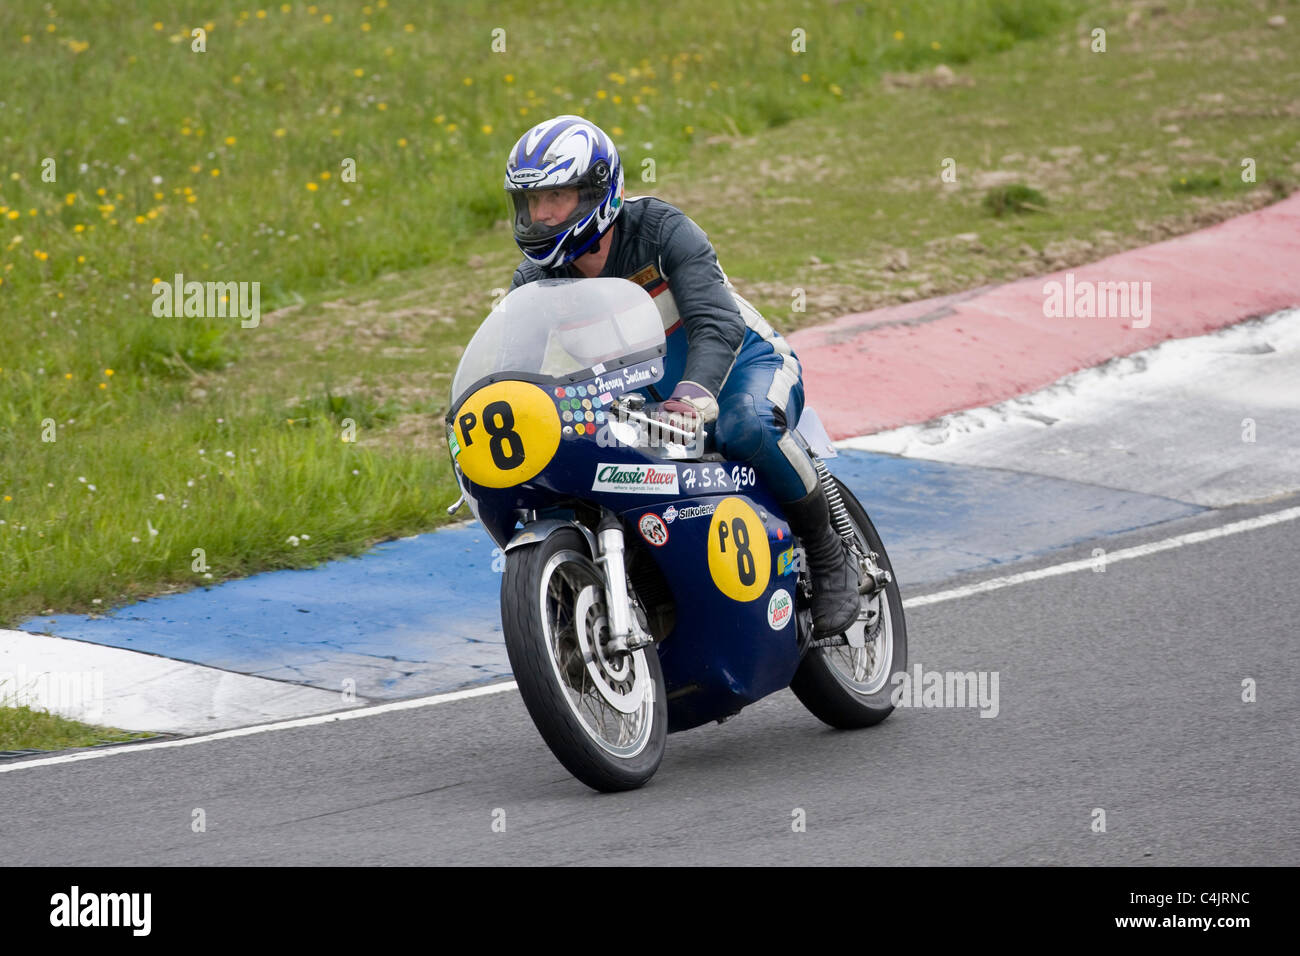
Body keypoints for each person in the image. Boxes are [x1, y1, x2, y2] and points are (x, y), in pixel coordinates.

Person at [503, 115, 861, 636]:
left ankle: (829, 553)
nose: (541, 215)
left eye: (555, 197)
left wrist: (694, 397)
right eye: (531, 201)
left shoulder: (662, 230)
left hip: (744, 367)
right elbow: (513, 374)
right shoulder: (535, 283)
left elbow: (717, 324)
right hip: (649, 409)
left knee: (746, 426)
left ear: (596, 192)